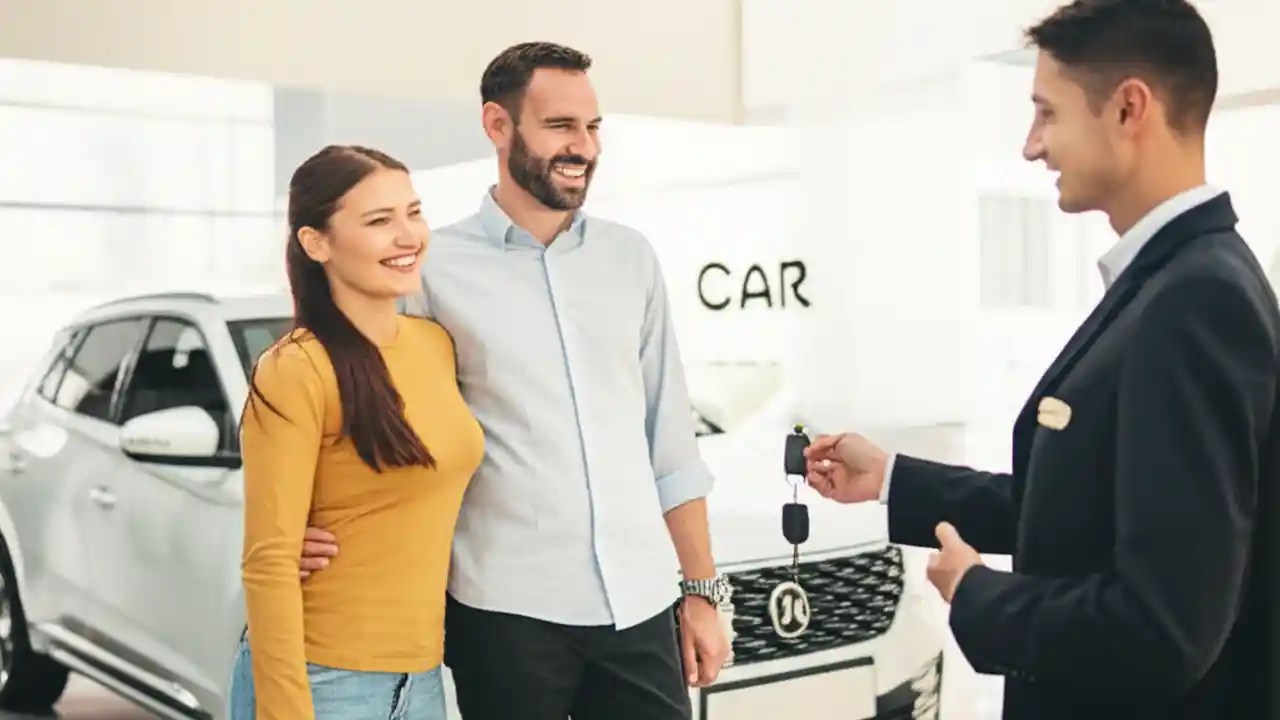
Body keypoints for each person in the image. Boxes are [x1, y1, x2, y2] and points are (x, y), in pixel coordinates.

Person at [805, 1, 1280, 719]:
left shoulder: (1195, 301)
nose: (1032, 146)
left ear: (1128, 109)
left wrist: (979, 594)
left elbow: (1164, 626)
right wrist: (894, 480)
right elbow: (1088, 510)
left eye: (1046, 113)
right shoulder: (1175, 282)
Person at [299, 42, 731, 719]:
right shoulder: (433, 271)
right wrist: (306, 520)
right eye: (560, 126)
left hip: (642, 604)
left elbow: (669, 442)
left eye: (592, 128)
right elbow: (367, 418)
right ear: (497, 126)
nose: (583, 147)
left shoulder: (631, 259)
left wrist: (701, 591)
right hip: (504, 614)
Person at [229, 145, 485, 720]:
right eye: (378, 221)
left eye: (413, 213)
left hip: (422, 679)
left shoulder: (435, 345)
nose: (408, 235)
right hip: (325, 678)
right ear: (316, 242)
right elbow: (269, 563)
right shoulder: (296, 368)